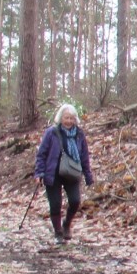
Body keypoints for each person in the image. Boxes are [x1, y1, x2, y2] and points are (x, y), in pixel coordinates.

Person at [33, 103, 94, 244]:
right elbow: (41, 154)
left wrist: (88, 175)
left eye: (72, 118)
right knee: (55, 204)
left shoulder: (79, 134)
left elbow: (84, 156)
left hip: (72, 171)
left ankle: (66, 224)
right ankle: (58, 232)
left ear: (75, 119)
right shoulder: (51, 132)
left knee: (75, 201)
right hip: (52, 172)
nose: (69, 121)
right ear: (61, 118)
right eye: (66, 118)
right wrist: (39, 173)